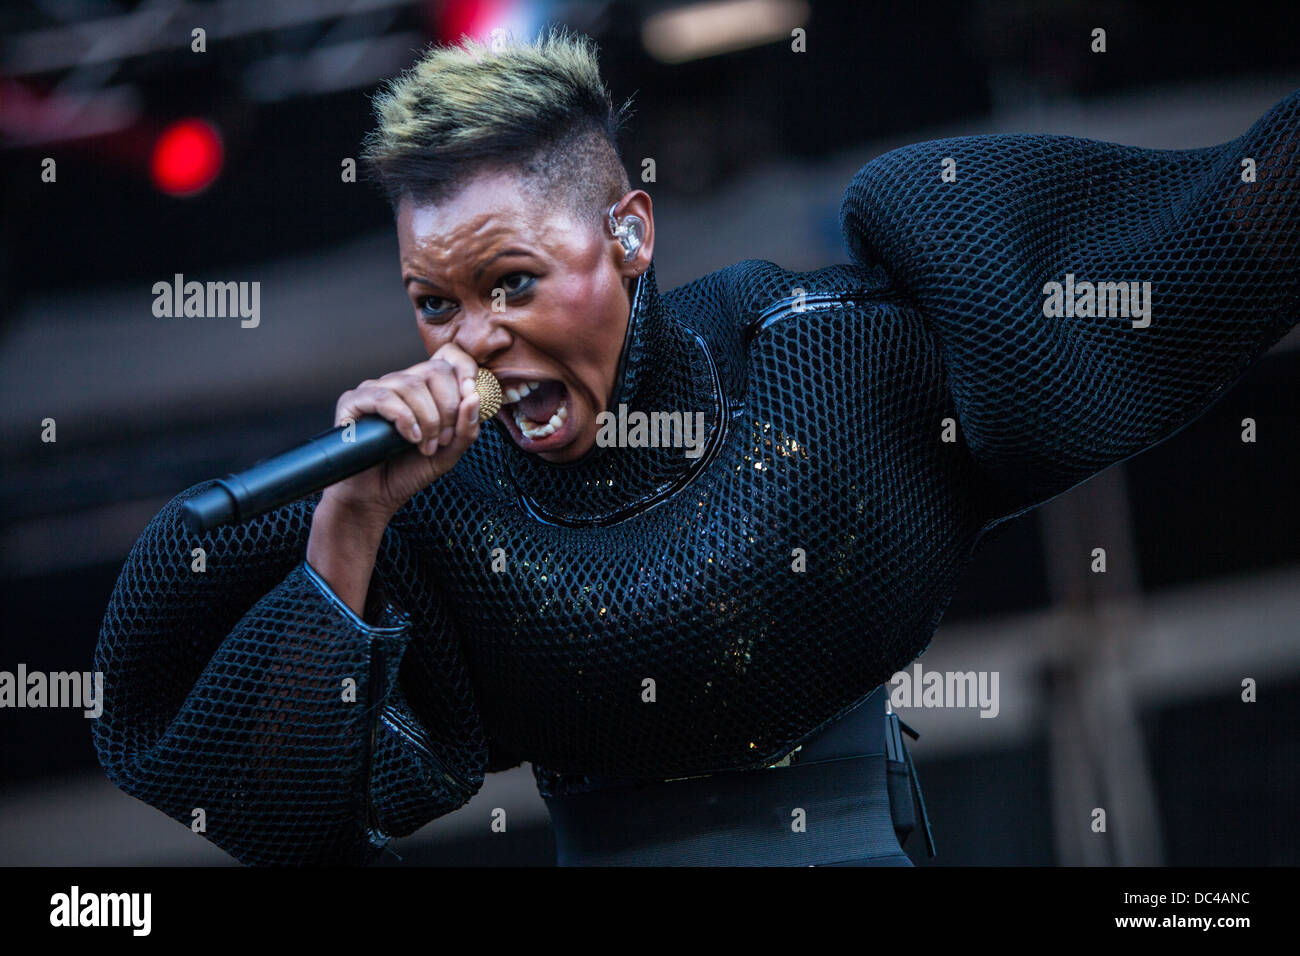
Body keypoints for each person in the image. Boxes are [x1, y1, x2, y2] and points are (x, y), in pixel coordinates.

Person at [93, 28, 1299, 866]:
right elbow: (276, 813)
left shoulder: (821, 355)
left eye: (513, 281)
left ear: (627, 233)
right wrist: (348, 524)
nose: (472, 341)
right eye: (435, 301)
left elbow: (1203, 250)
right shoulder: (431, 508)